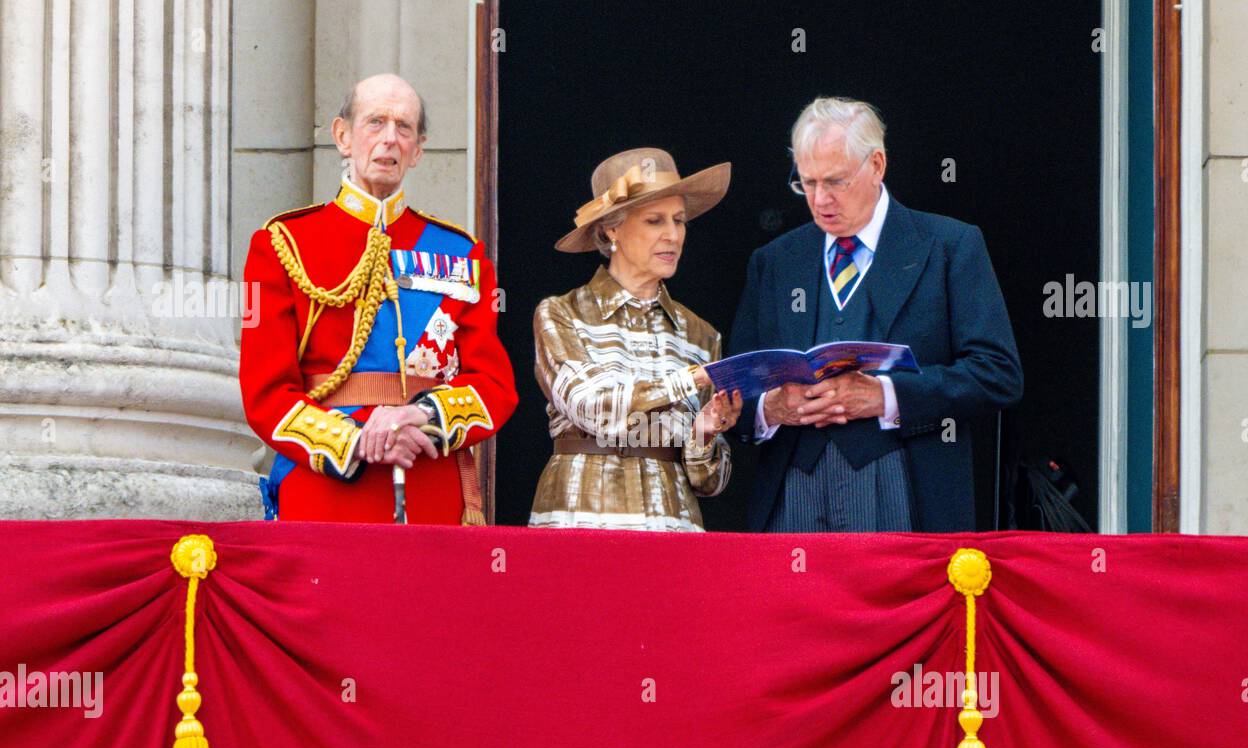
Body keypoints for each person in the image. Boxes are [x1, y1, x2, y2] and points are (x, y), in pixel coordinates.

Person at [729, 97, 1023, 532]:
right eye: (806, 183)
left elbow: (997, 374)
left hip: (904, 488)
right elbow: (736, 388)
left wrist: (884, 397)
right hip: (791, 493)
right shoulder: (775, 261)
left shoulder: (948, 246)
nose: (820, 199)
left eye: (836, 181)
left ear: (877, 165)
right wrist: (772, 408)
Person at [240, 73, 517, 523]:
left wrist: (420, 418)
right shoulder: (282, 244)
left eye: (404, 127)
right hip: (325, 488)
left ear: (418, 150)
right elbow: (265, 392)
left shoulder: (462, 255)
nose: (390, 139)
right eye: (376, 122)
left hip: (429, 480)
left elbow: (494, 385)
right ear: (343, 136)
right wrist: (353, 440)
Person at [529, 148, 742, 531]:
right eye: (655, 220)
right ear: (612, 228)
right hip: (579, 520)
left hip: (673, 528)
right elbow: (590, 405)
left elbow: (711, 484)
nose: (673, 235)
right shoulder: (561, 313)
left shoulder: (702, 334)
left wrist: (704, 434)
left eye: (679, 221)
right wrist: (687, 380)